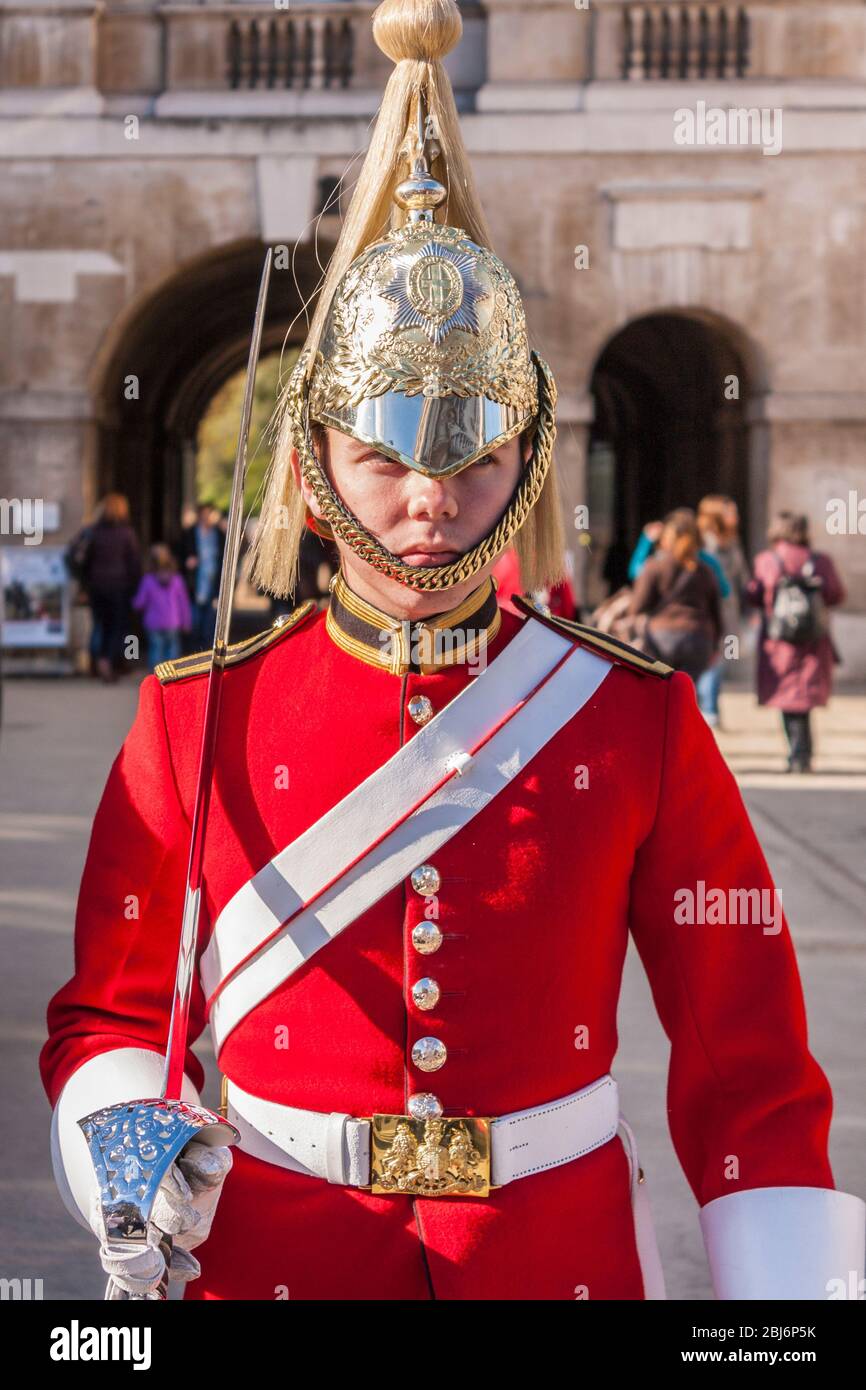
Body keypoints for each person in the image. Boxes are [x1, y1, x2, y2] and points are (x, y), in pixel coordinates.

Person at [41, 0, 864, 1302]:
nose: (429, 505)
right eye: (383, 461)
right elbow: (113, 1009)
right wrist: (128, 1137)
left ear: (526, 461)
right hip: (272, 1258)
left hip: (555, 1261)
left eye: (472, 461)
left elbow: (746, 1063)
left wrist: (787, 1306)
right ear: (314, 471)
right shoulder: (192, 713)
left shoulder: (631, 717)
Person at [746, 511, 846, 773]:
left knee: (788, 698)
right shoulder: (820, 560)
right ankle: (803, 754)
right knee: (803, 700)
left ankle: (797, 754)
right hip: (813, 639)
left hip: (779, 640)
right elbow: (836, 594)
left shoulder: (767, 560)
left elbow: (754, 594)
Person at [627, 509, 722, 682]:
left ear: (665, 539)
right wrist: (715, 646)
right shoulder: (706, 570)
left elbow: (637, 606)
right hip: (698, 639)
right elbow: (716, 613)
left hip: (661, 638)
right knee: (688, 694)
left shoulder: (654, 566)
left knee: (662, 694)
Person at [73, 492, 141, 683]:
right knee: (116, 627)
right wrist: (136, 587)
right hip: (118, 586)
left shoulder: (92, 531)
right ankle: (108, 662)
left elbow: (83, 560)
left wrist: (85, 582)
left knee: (98, 626)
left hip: (96, 586)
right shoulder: (126, 533)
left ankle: (94, 663)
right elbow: (134, 563)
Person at [695, 495, 750, 728]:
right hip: (707, 613)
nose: (736, 517)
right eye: (731, 512)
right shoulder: (702, 545)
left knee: (720, 660)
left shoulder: (732, 543)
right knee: (711, 661)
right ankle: (707, 710)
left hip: (728, 613)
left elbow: (742, 578)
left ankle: (710, 708)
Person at [132, 544, 193, 673]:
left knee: (156, 650)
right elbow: (184, 603)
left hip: (153, 623)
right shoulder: (177, 580)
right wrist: (186, 622)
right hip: (172, 621)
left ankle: (156, 677)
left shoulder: (148, 580)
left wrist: (133, 603)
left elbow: (139, 603)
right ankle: (172, 677)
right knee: (172, 652)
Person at [181, 503, 225, 650]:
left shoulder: (218, 534)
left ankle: (205, 652)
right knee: (195, 622)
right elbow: (180, 555)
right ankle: (193, 651)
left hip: (212, 583)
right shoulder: (190, 533)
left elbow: (224, 558)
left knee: (209, 623)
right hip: (195, 583)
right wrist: (187, 561)